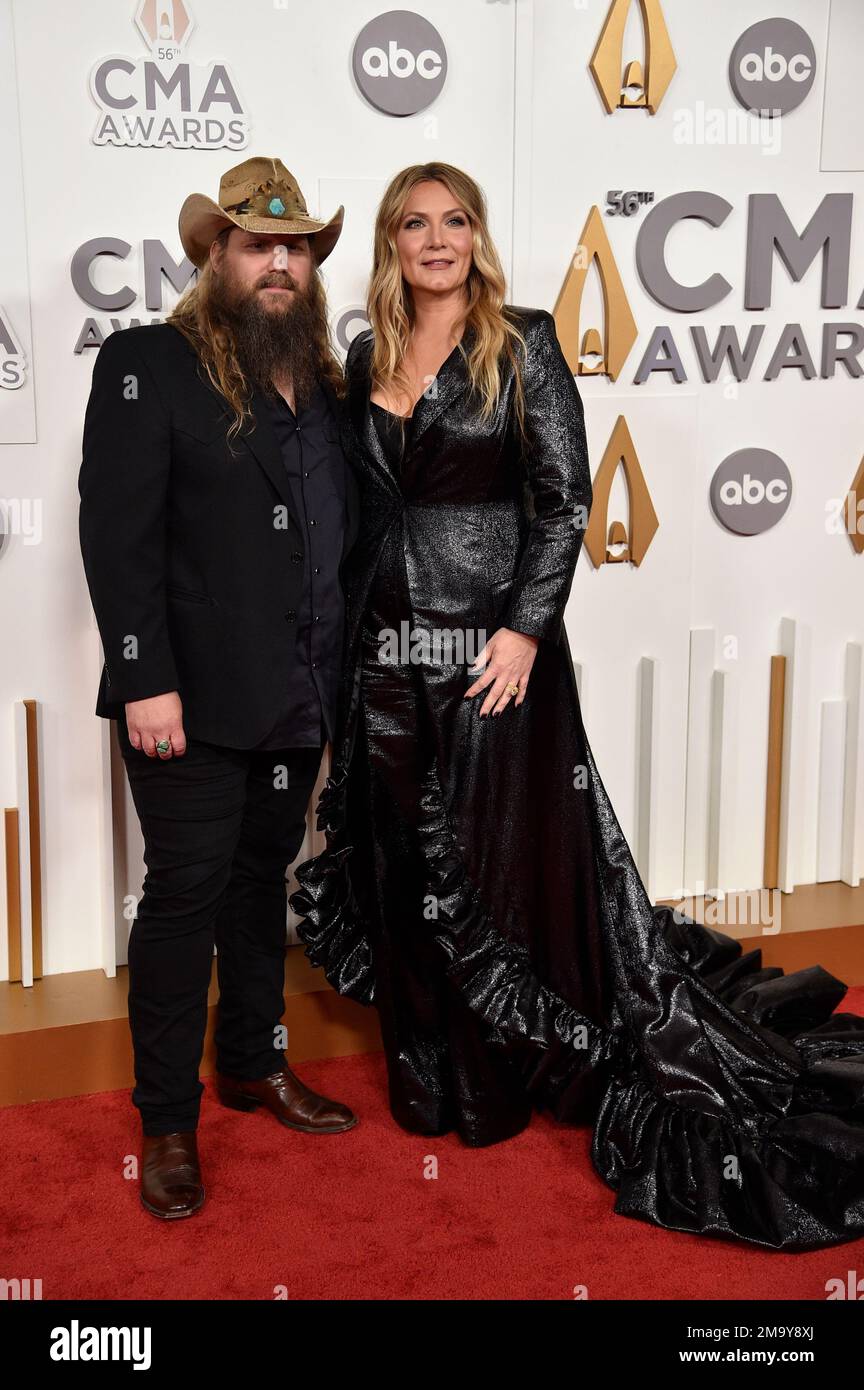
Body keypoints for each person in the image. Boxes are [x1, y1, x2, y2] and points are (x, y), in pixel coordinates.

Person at [289, 161, 864, 1251]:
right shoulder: (363, 354)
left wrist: (521, 629)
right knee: (402, 872)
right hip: (382, 658)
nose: (439, 240)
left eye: (456, 221)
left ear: (478, 236)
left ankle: (495, 1091)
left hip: (492, 659)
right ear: (391, 243)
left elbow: (563, 503)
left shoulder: (527, 341)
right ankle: (426, 1086)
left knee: (494, 869)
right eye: (416, 224)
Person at [78, 156, 359, 1221]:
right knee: (184, 901)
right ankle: (166, 1123)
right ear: (215, 256)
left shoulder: (326, 383)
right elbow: (115, 534)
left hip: (298, 696)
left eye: (295, 246)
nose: (278, 261)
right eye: (256, 243)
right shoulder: (149, 362)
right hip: (186, 703)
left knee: (260, 887)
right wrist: (146, 679)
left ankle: (253, 1061)